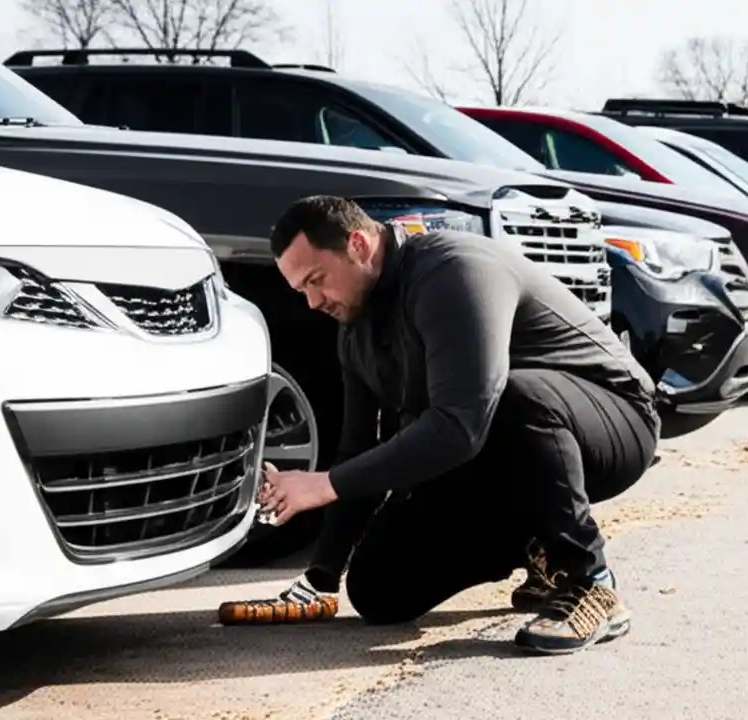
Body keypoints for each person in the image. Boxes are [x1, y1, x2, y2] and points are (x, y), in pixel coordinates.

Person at [248, 196, 659, 655]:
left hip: (614, 421)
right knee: (379, 590)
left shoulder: (452, 272)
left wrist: (324, 484)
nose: (312, 302)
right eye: (300, 289)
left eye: (316, 280)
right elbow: (356, 450)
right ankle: (537, 547)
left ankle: (590, 580)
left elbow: (460, 425)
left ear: (359, 245)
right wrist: (321, 577)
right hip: (495, 449)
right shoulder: (354, 322)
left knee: (514, 397)